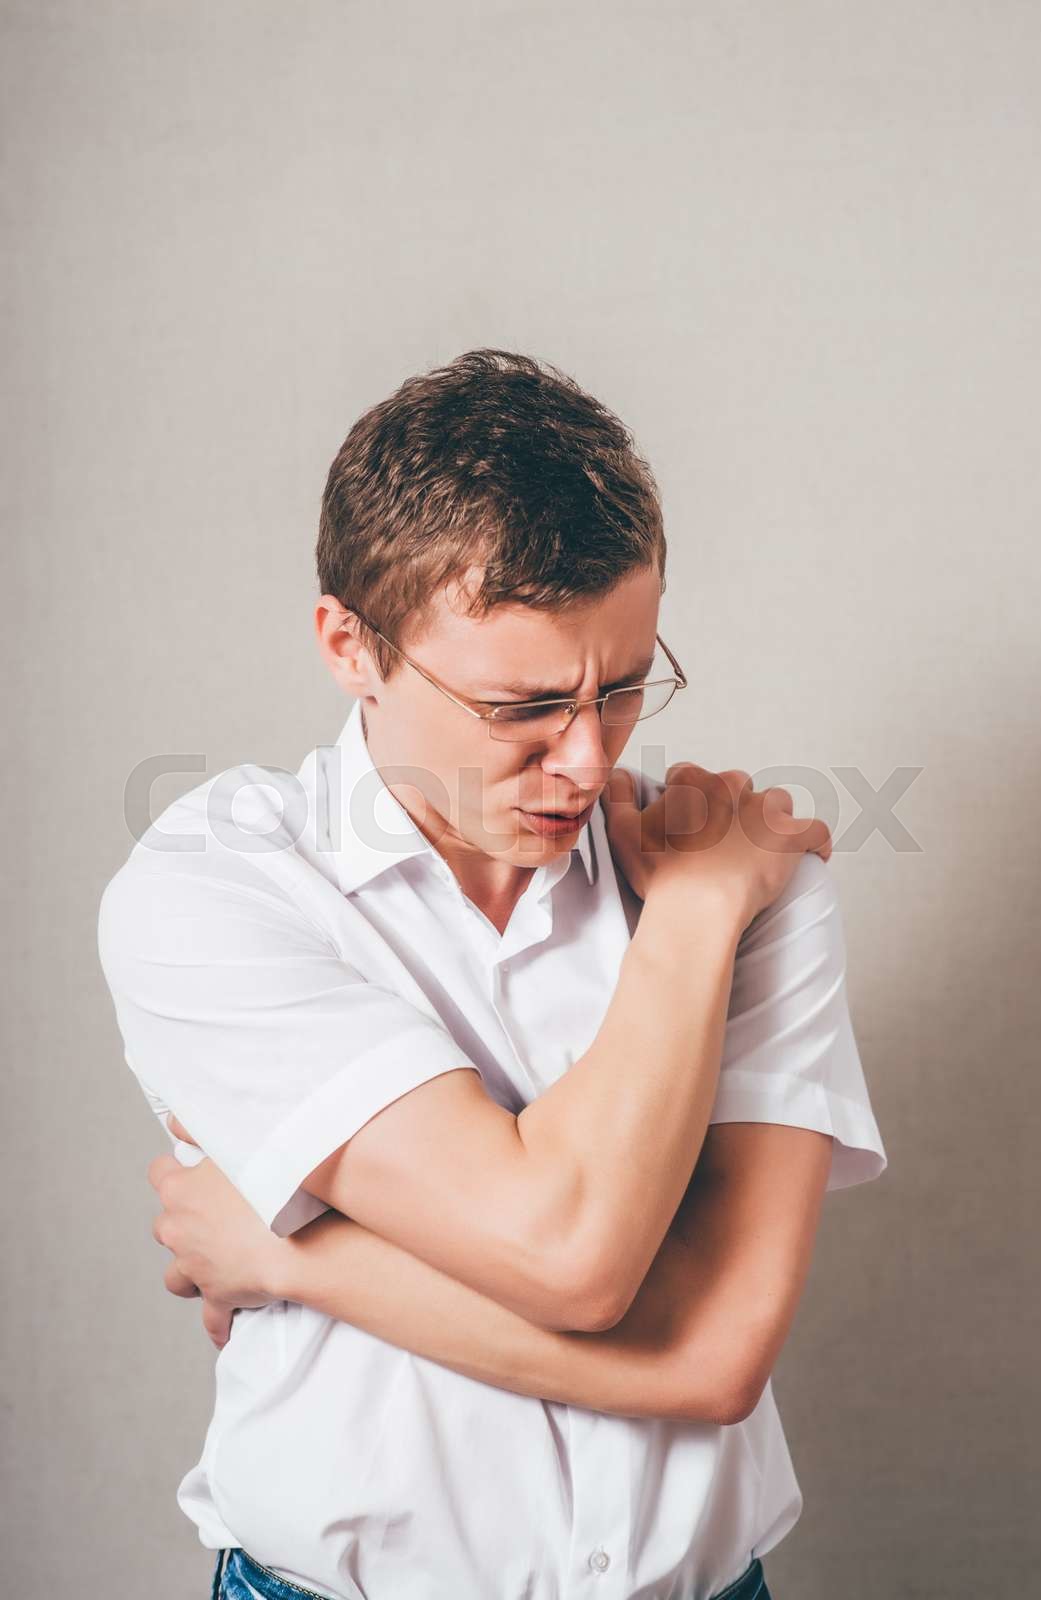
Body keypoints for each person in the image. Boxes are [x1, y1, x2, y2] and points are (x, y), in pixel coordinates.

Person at [97, 348, 887, 1600]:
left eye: (623, 689)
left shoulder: (748, 879)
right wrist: (694, 925)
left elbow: (718, 1358)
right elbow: (574, 1254)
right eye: (521, 707)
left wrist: (298, 1259)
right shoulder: (214, 886)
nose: (585, 759)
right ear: (350, 646)